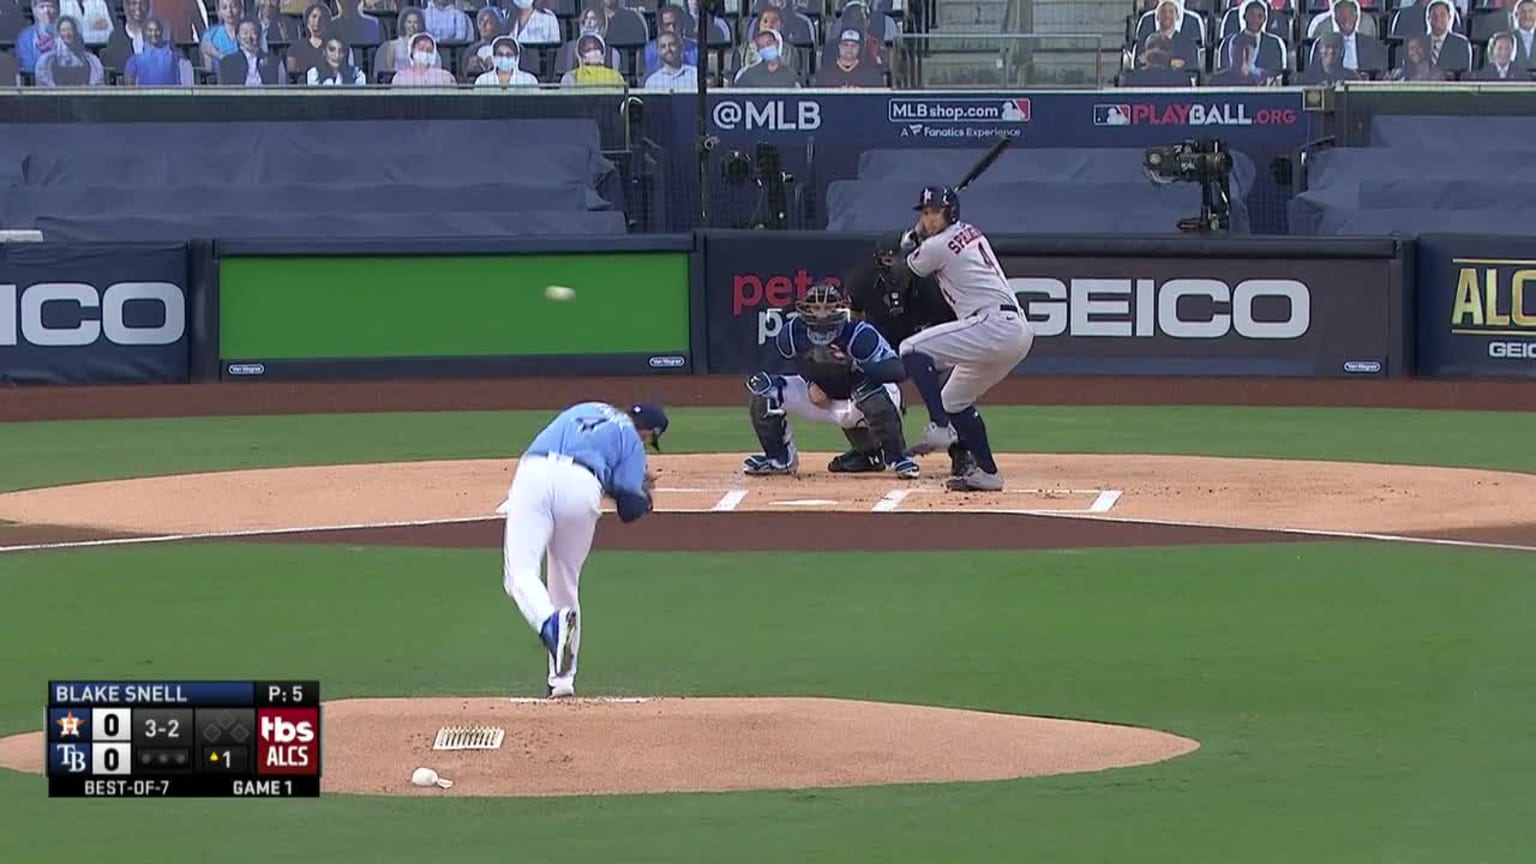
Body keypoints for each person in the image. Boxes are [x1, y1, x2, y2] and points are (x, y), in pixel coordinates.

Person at [499, 401, 667, 699]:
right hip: (581, 487)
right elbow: (629, 510)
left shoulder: (588, 407)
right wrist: (641, 497)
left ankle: (549, 625)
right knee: (564, 581)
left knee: (521, 574)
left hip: (534, 473)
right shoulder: (632, 442)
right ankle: (562, 679)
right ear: (648, 432)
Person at [898, 185, 1034, 492]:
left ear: (950, 212)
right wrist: (920, 234)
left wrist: (913, 236)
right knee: (954, 400)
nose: (929, 218)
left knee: (911, 348)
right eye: (925, 213)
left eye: (935, 212)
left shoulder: (938, 245)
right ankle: (988, 473)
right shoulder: (971, 231)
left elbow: (908, 267)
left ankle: (940, 426)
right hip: (1013, 331)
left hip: (992, 323)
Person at [742, 282, 918, 479]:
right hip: (824, 398)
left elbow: (898, 371)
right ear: (806, 309)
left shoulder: (859, 334)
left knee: (867, 391)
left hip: (864, 397)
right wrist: (810, 383)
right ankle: (779, 460)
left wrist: (855, 366)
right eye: (816, 308)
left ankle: (898, 458)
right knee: (764, 388)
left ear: (839, 308)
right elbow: (798, 363)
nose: (822, 314)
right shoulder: (792, 333)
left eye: (828, 307)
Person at [842, 232, 976, 478]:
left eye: (901, 260)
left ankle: (962, 452)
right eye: (888, 260)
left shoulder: (935, 284)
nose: (896, 268)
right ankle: (869, 450)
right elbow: (856, 320)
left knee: (951, 389)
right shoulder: (861, 280)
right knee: (854, 376)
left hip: (928, 343)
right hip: (884, 345)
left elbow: (955, 325)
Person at [34, 15, 105, 85]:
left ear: (75, 31)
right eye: (63, 30)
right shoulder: (47, 60)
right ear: (58, 33)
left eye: (70, 29)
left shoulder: (91, 60)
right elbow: (44, 81)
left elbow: (96, 81)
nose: (67, 33)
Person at [124, 17, 196, 83]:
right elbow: (129, 81)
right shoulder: (138, 55)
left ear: (161, 31)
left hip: (171, 94)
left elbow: (186, 66)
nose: (154, 33)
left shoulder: (172, 52)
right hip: (146, 95)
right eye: (150, 30)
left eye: (156, 30)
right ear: (146, 32)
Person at [218, 17, 285, 83]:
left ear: (259, 36)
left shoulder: (274, 61)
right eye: (245, 33)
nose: (249, 37)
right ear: (237, 37)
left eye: (254, 33)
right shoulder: (227, 62)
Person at [813, 27, 884, 86]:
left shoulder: (870, 75)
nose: (849, 49)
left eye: (854, 45)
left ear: (859, 48)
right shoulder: (825, 75)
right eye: (845, 45)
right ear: (839, 46)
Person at [641, 4, 696, 76]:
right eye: (667, 25)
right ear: (660, 27)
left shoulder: (695, 49)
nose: (672, 29)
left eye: (675, 24)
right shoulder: (649, 50)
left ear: (682, 24)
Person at [733, 28, 799, 86]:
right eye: (761, 46)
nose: (766, 48)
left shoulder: (790, 73)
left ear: (776, 43)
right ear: (758, 51)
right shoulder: (749, 73)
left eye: (769, 43)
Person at [101, 0, 154, 70]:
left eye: (142, 3)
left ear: (148, 6)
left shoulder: (162, 34)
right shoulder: (115, 38)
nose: (138, 7)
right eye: (134, 3)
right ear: (126, 6)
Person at [373, 6, 424, 75]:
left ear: (420, 25)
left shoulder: (426, 45)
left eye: (415, 22)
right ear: (404, 24)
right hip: (398, 82)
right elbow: (390, 71)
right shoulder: (393, 45)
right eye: (409, 22)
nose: (412, 26)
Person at [559, 32, 624, 85]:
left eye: (597, 48)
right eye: (588, 50)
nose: (594, 52)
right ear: (581, 55)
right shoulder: (570, 77)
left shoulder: (616, 76)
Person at [16, 0, 62, 75]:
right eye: (42, 7)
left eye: (50, 6)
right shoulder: (25, 37)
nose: (46, 11)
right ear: (35, 11)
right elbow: (28, 66)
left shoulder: (68, 33)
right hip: (34, 82)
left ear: (58, 10)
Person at [1424, 0, 1471, 72]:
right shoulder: (1420, 41)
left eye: (1442, 15)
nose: (1438, 18)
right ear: (1428, 18)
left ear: (1449, 17)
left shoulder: (1461, 44)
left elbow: (1463, 74)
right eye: (1434, 15)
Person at [391, 31, 455, 83]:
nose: (424, 52)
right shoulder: (400, 77)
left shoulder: (445, 77)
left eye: (429, 50)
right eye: (421, 48)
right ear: (412, 50)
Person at [461, 7, 506, 80]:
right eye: (481, 21)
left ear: (498, 25)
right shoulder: (470, 51)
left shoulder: (506, 48)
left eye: (489, 22)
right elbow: (463, 76)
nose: (483, 25)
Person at [199, 0, 242, 68]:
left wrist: (217, 54)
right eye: (224, 7)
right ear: (219, 11)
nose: (229, 11)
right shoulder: (210, 36)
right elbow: (208, 70)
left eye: (233, 6)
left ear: (240, 7)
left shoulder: (250, 33)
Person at [1515, 0, 1536, 68]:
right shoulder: (1506, 38)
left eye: (1531, 11)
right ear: (1516, 15)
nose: (1527, 16)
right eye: (1523, 11)